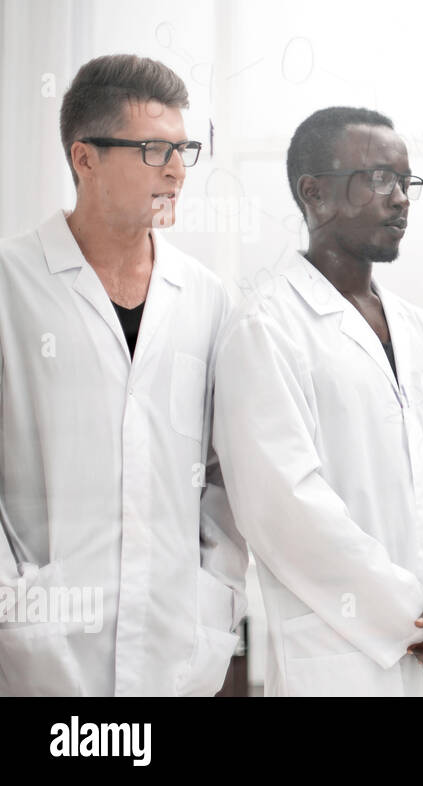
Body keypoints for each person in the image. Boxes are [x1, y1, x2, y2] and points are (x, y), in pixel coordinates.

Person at [212, 107, 423, 696]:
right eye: (377, 179)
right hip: (343, 658)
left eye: (405, 181)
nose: (400, 199)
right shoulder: (265, 328)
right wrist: (415, 620)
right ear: (313, 193)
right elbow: (285, 510)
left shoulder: (421, 331)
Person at [0, 54, 245, 696]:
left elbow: (224, 475)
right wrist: (16, 601)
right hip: (42, 649)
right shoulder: (10, 284)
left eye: (183, 149)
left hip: (176, 646)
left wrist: (214, 595)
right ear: (84, 158)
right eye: (153, 150)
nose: (176, 171)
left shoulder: (207, 296)